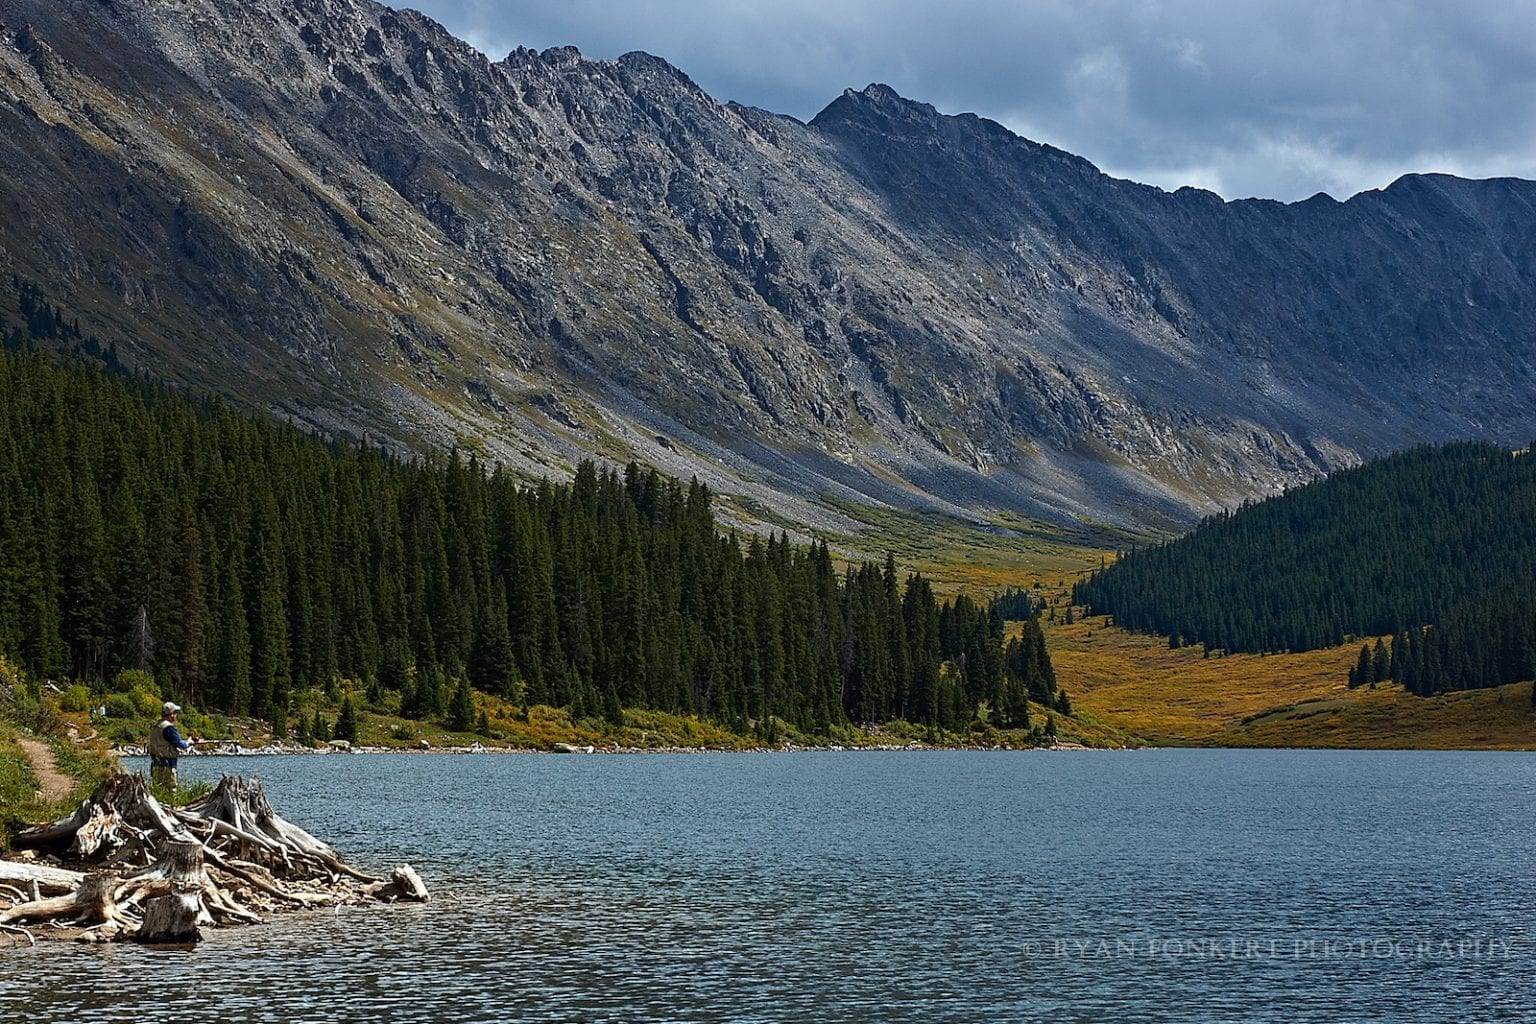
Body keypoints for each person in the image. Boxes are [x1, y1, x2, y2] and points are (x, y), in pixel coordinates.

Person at [148, 701, 195, 791]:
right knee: (171, 791)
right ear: (171, 714)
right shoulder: (168, 728)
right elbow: (181, 745)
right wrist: (189, 742)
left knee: (158, 790)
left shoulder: (156, 726)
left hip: (154, 764)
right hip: (168, 766)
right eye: (175, 713)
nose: (176, 715)